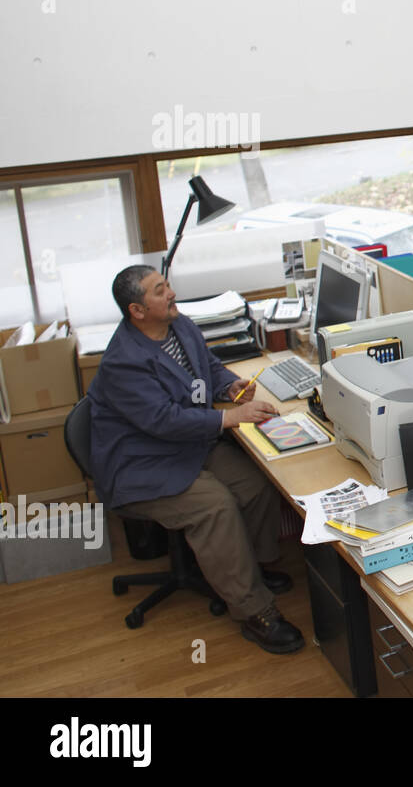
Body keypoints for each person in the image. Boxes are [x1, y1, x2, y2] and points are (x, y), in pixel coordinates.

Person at [88, 265, 305, 654]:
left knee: (256, 484)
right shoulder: (124, 362)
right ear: (137, 310)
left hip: (189, 445)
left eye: (167, 284)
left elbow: (207, 367)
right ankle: (254, 611)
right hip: (143, 463)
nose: (170, 293)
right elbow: (162, 420)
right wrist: (229, 417)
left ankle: (247, 571)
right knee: (214, 506)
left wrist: (228, 385)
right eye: (159, 290)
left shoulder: (178, 325)